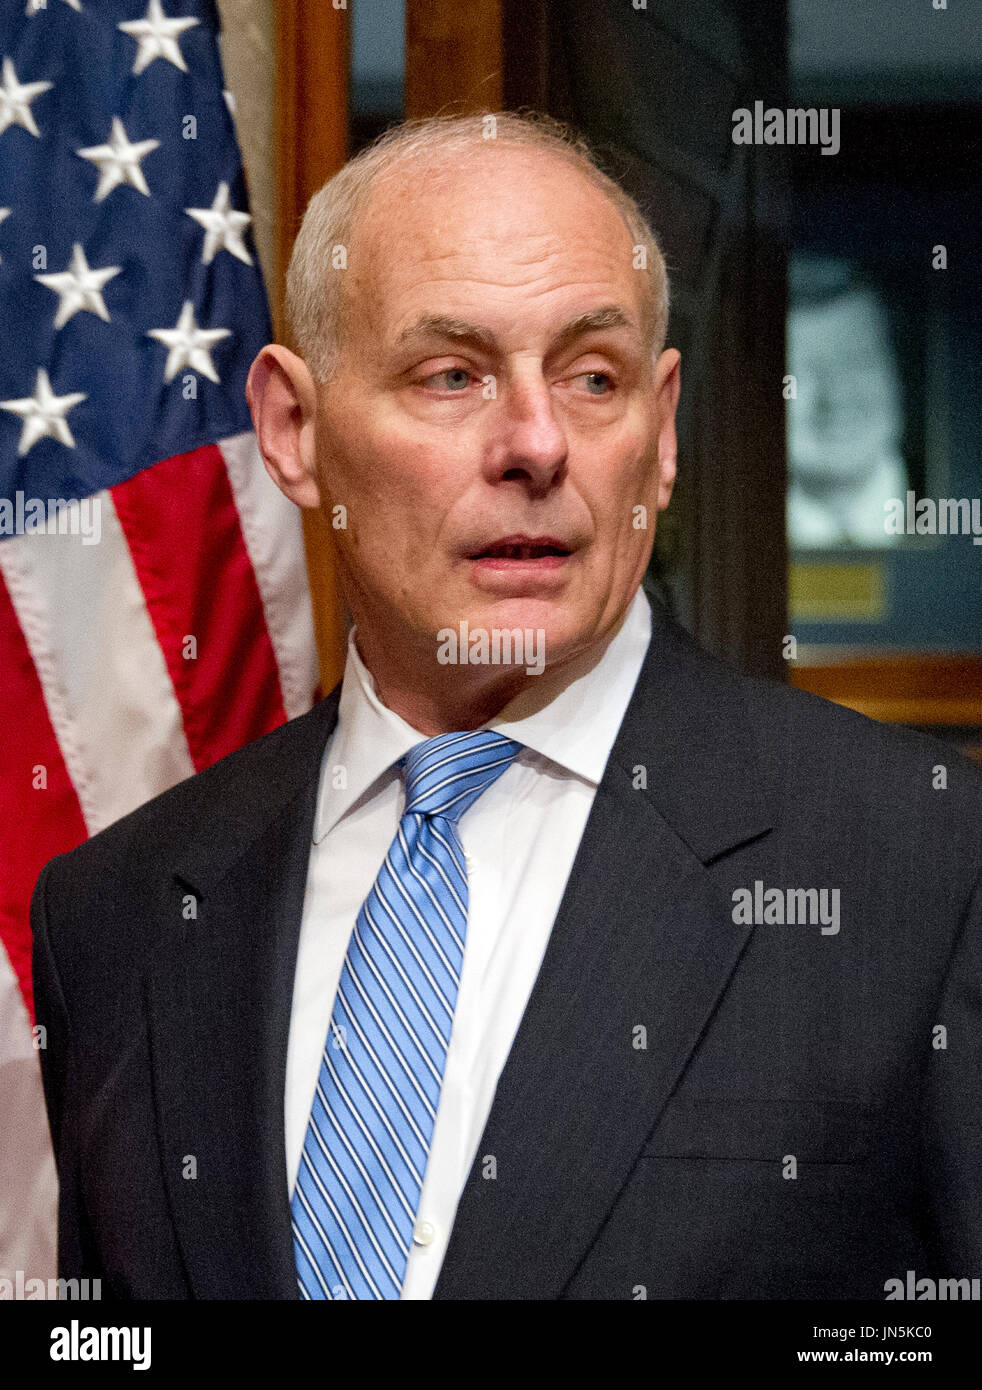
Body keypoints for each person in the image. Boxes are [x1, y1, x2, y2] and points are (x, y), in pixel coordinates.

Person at [32, 111, 982, 1301]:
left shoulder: (923, 864)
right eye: (452, 375)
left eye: (593, 376)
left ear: (662, 426)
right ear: (295, 428)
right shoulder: (116, 913)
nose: (537, 443)